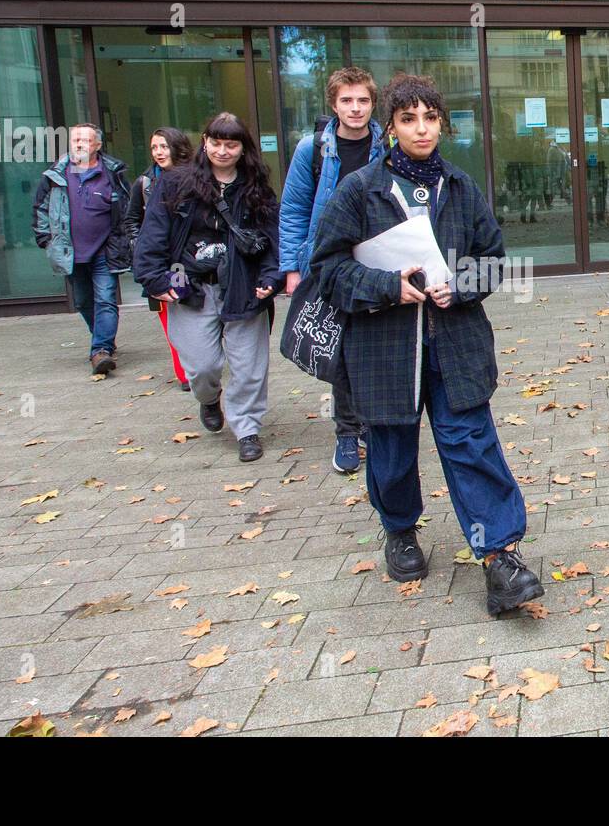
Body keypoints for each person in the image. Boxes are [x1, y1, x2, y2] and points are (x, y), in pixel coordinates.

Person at [309, 74, 545, 617]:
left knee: (472, 445)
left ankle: (499, 556)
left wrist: (457, 285)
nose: (421, 129)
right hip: (384, 349)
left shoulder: (460, 188)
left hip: (455, 344)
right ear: (389, 127)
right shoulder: (359, 189)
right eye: (408, 119)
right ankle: (399, 529)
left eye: (430, 118)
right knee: (391, 452)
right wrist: (386, 286)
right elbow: (327, 269)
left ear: (442, 123)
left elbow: (493, 258)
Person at [133, 112, 281, 463]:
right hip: (189, 281)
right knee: (202, 366)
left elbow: (273, 236)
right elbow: (153, 231)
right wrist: (154, 277)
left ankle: (246, 428)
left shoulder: (256, 186)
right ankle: (208, 398)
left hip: (244, 283)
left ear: (243, 149)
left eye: (232, 144)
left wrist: (271, 276)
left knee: (249, 366)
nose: (223, 151)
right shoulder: (175, 183)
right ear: (204, 142)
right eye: (216, 142)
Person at [279, 67, 386, 474]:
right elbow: (292, 211)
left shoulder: (387, 145)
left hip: (376, 262)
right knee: (341, 350)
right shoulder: (312, 150)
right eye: (347, 100)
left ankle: (374, 426)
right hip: (330, 264)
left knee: (373, 346)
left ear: (372, 104)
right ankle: (346, 432)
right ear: (334, 104)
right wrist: (291, 269)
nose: (355, 108)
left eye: (362, 100)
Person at [32, 122, 131, 376]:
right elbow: (40, 208)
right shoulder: (54, 175)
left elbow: (128, 209)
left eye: (84, 141)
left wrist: (127, 239)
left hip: (104, 250)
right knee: (84, 301)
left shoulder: (112, 173)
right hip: (71, 252)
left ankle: (100, 351)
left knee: (106, 299)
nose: (78, 145)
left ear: (97, 145)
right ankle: (103, 337)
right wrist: (46, 239)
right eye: (75, 140)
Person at [125, 127, 194, 391]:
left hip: (189, 260)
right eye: (154, 148)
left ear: (178, 147)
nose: (158, 153)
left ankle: (199, 360)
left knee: (192, 309)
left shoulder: (196, 177)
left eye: (163, 146)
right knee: (171, 315)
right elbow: (131, 220)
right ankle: (185, 373)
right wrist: (138, 245)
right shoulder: (144, 183)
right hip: (162, 263)